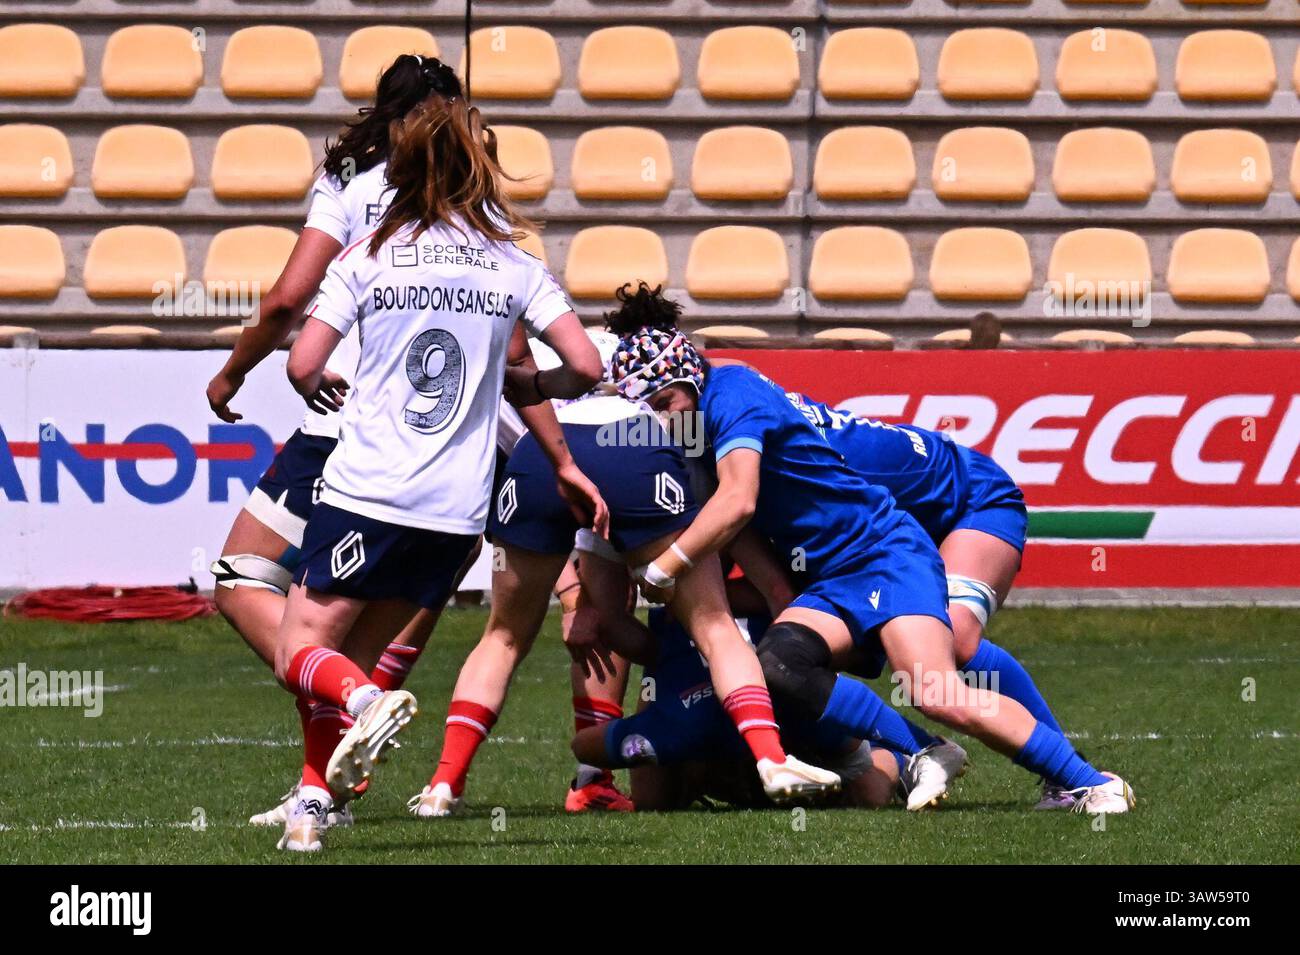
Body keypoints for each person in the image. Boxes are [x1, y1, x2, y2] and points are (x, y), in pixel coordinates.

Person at [202, 56, 605, 828]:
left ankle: (352, 702)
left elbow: (298, 334)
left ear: (396, 134)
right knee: (351, 643)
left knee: (286, 627)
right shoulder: (508, 253)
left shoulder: (362, 220)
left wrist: (248, 377)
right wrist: (553, 445)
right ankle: (318, 797)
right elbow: (566, 364)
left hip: (364, 463)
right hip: (459, 498)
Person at [606, 287, 1136, 816]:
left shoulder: (733, 400)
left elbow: (739, 502)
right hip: (842, 570)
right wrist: (762, 598)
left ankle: (1088, 781)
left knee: (939, 678)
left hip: (912, 535)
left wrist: (664, 569)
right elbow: (750, 536)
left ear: (686, 374)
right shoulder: (706, 418)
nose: (662, 420)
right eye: (648, 411)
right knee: (779, 663)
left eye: (663, 404)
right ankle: (926, 749)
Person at [408, 353, 841, 818]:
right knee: (716, 629)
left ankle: (443, 785)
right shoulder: (693, 391)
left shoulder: (571, 360)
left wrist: (577, 600)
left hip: (547, 450)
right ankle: (771, 760)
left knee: (502, 637)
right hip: (630, 450)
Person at [783, 393, 1079, 809]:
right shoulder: (765, 429)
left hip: (972, 500)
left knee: (955, 640)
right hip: (898, 532)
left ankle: (1069, 774)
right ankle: (904, 752)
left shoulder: (784, 455)